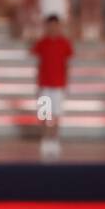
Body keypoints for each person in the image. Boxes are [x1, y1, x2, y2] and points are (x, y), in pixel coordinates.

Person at [32, 13, 71, 160]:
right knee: (44, 115)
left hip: (58, 85)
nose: (53, 28)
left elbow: (67, 65)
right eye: (50, 26)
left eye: (55, 25)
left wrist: (67, 82)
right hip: (44, 84)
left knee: (55, 115)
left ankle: (54, 139)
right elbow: (38, 63)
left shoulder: (64, 43)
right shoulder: (42, 43)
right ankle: (45, 139)